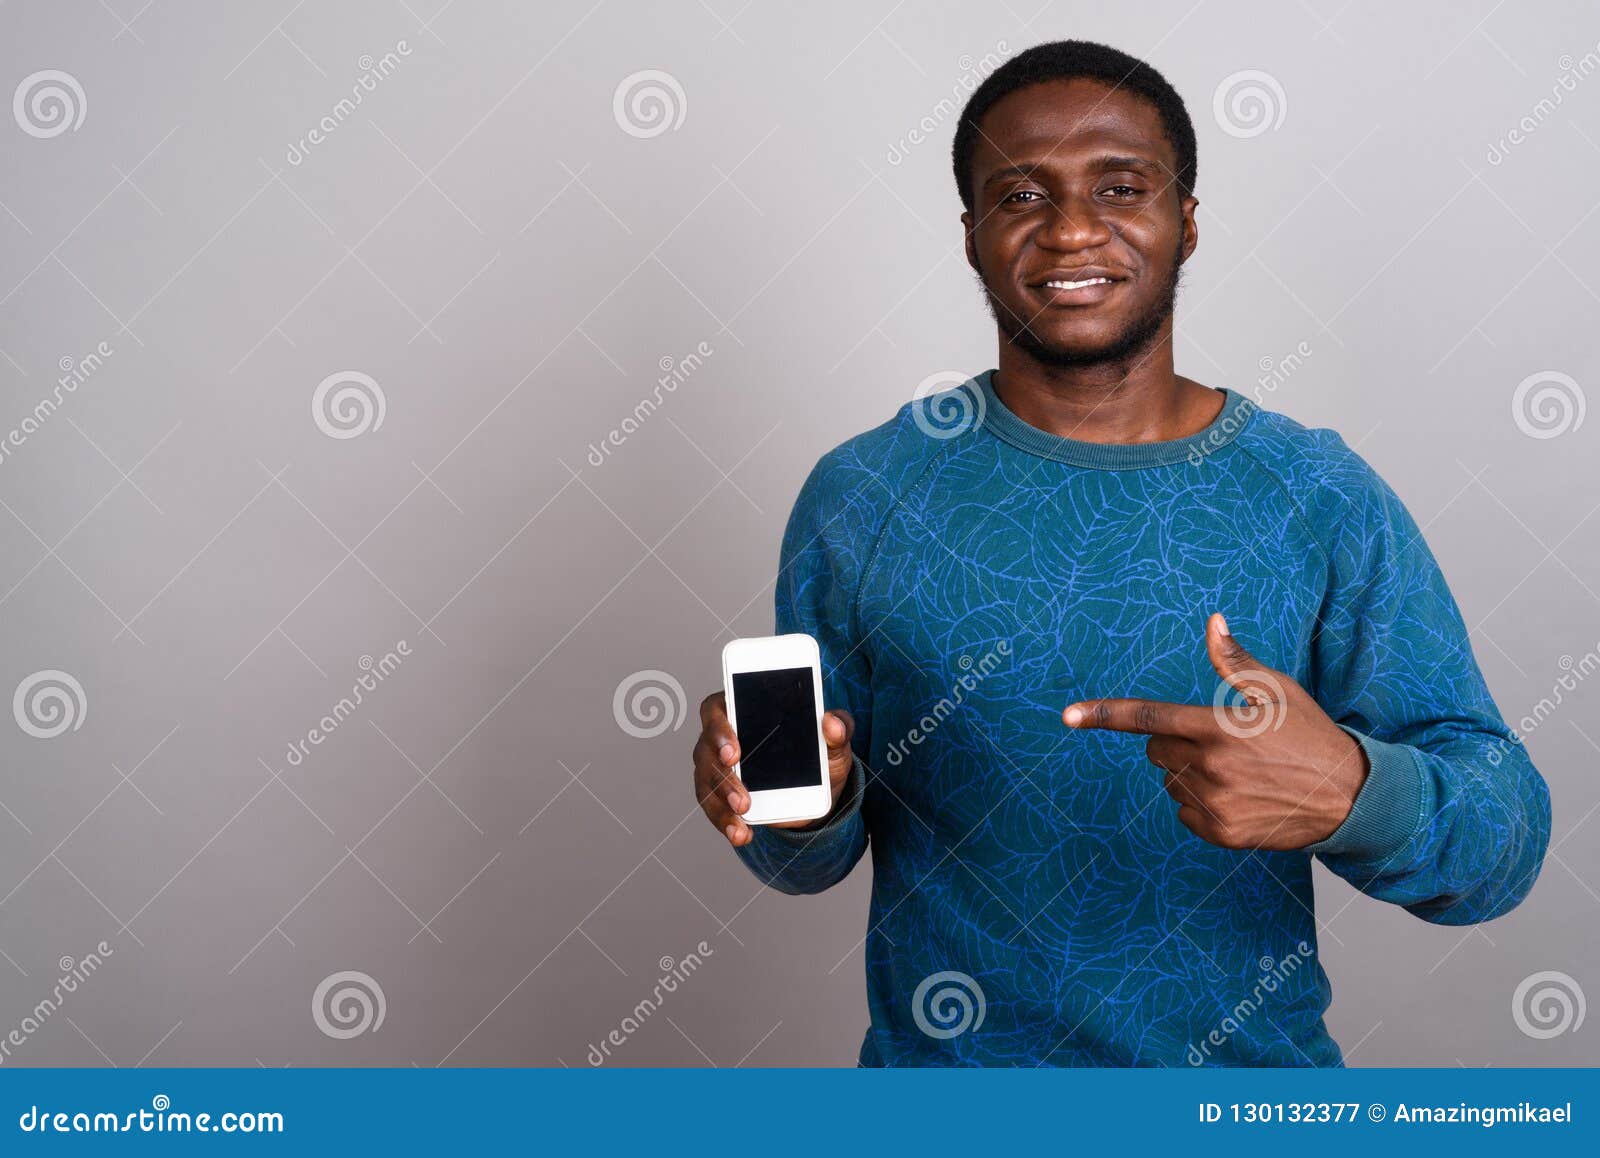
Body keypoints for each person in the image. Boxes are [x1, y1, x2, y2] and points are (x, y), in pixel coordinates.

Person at [689, 39, 1550, 1066]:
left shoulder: (1315, 495)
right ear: (971, 236)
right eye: (1019, 195)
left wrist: (1356, 792)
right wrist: (801, 804)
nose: (1071, 229)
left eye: (1121, 186)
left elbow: (1504, 843)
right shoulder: (867, 493)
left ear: (1185, 221)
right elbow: (802, 862)